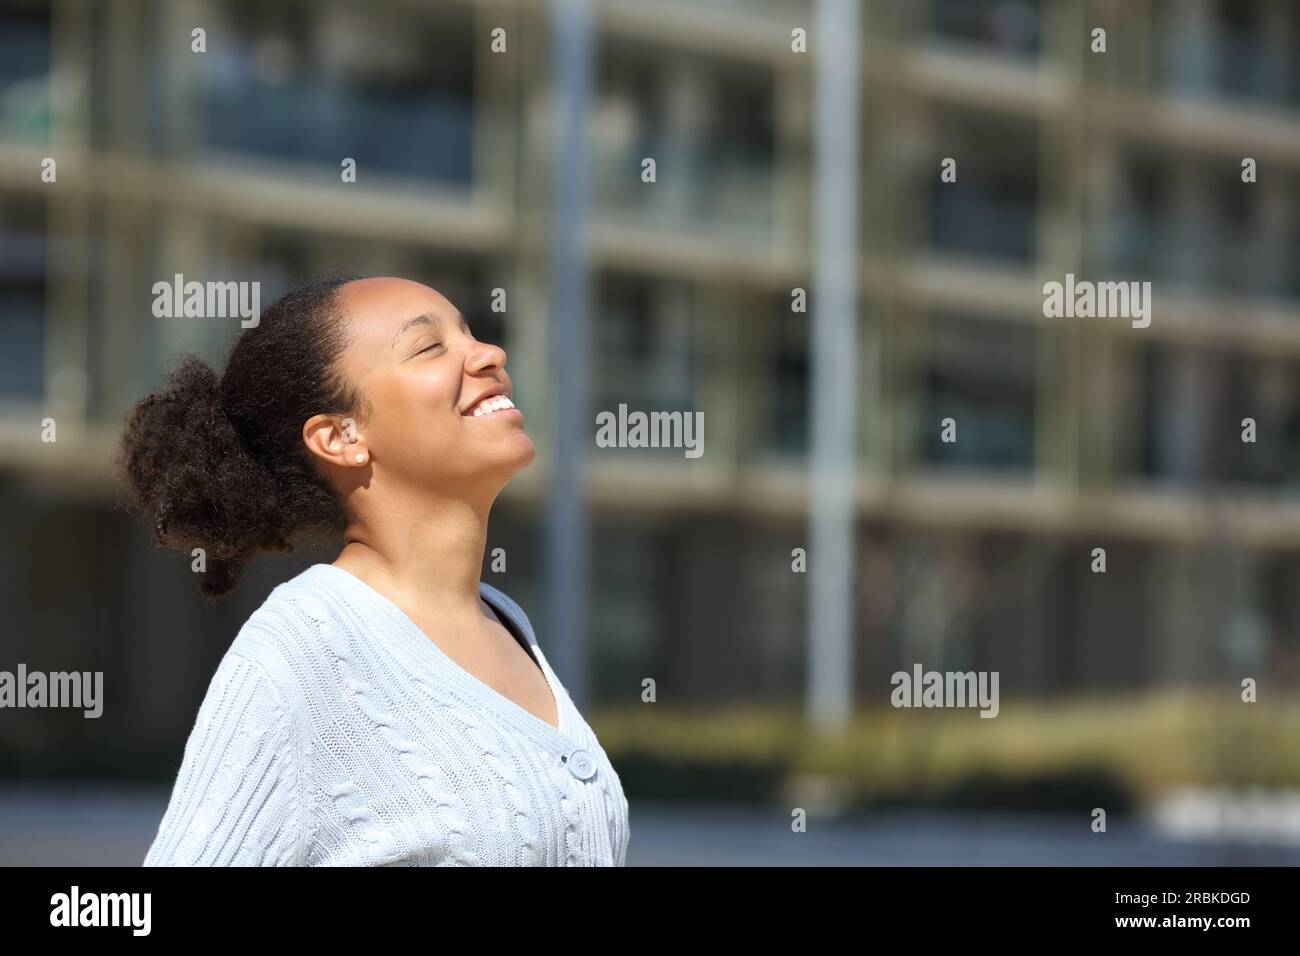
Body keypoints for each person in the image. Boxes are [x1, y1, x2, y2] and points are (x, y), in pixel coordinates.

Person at [118, 275, 629, 866]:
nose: (490, 354)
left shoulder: (507, 623)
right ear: (340, 436)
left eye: (468, 333)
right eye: (429, 347)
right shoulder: (302, 647)